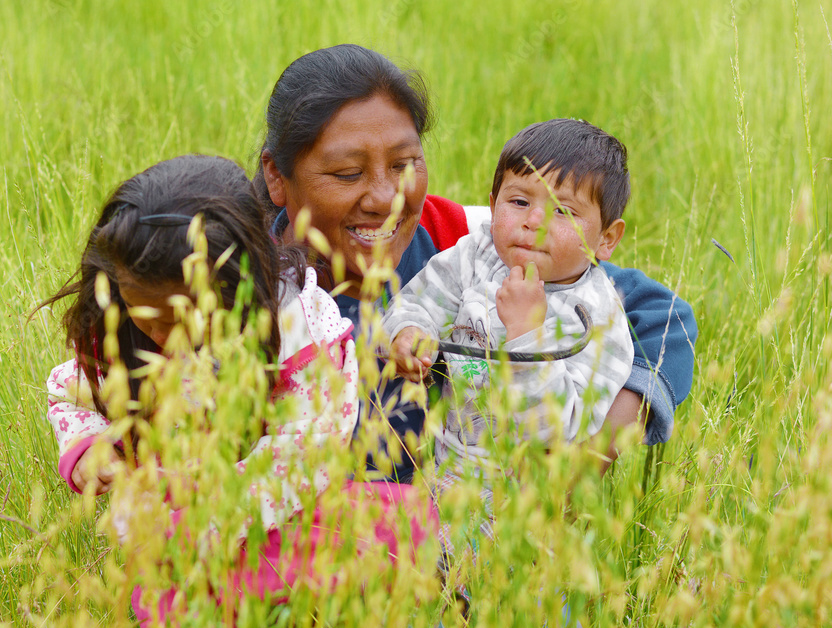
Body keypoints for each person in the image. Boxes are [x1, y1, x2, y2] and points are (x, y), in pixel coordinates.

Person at [40, 155, 435, 628]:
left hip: (286, 519)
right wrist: (90, 448)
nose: (163, 336)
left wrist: (207, 512)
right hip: (176, 542)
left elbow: (310, 448)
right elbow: (67, 392)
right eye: (145, 313)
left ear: (242, 287)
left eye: (183, 318)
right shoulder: (128, 332)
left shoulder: (296, 328)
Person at [255, 44, 697, 484]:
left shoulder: (463, 241)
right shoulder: (247, 290)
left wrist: (580, 465)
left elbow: (662, 316)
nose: (386, 198)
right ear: (277, 176)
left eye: (404, 165)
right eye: (348, 174)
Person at [383, 118, 636, 540]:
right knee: (416, 575)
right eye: (518, 202)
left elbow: (560, 428)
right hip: (443, 467)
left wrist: (527, 333)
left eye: (564, 212)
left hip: (522, 508)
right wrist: (410, 332)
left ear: (606, 239)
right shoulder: (478, 254)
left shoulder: (598, 319)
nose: (534, 221)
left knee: (489, 595)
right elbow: (421, 299)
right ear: (492, 203)